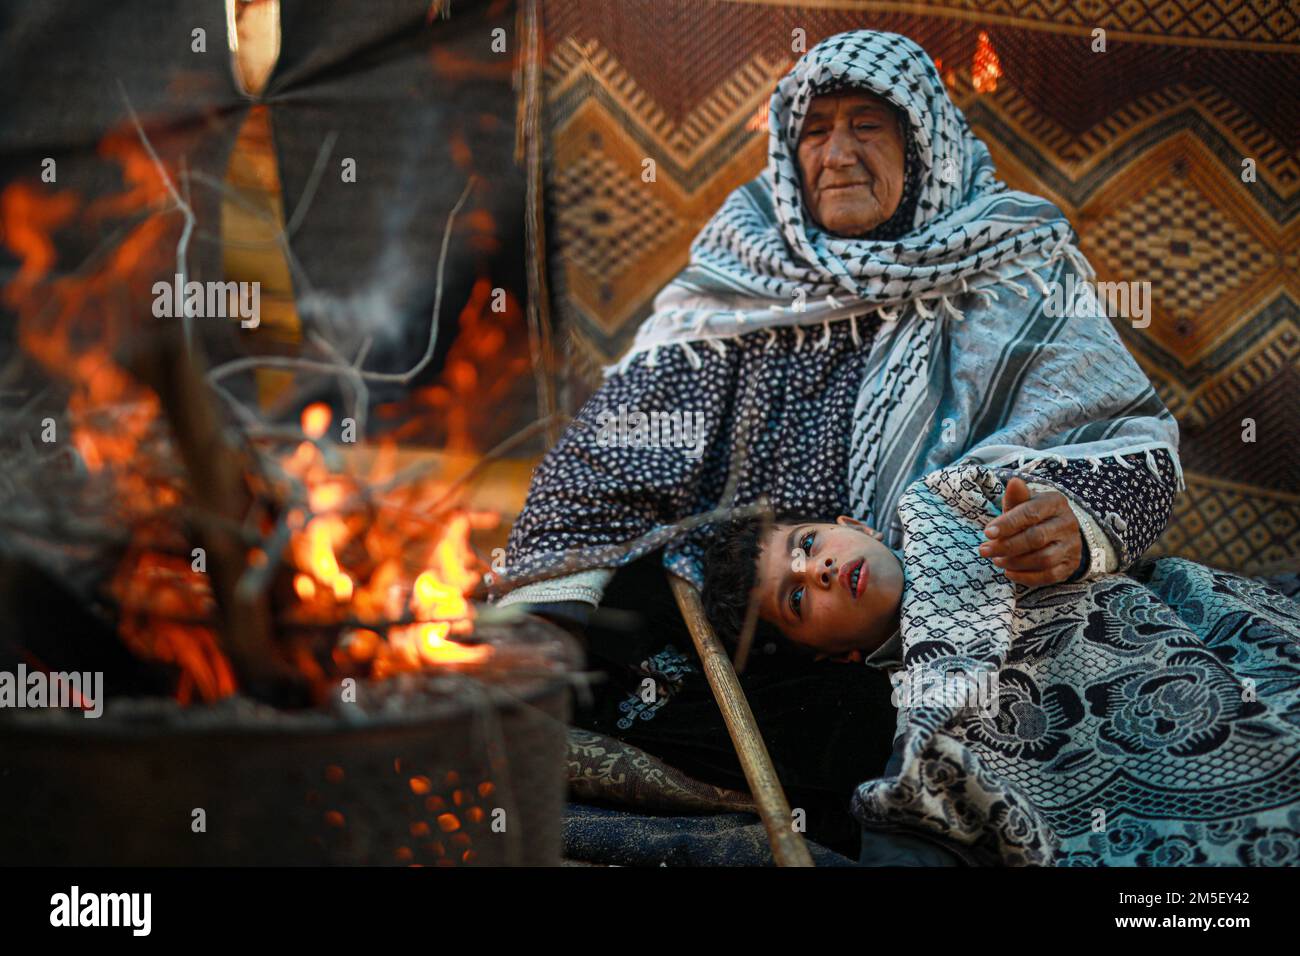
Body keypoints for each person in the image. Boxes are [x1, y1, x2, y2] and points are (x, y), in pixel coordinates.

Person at [492, 30, 1182, 852]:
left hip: (1001, 621)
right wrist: (548, 618)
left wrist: (1074, 524)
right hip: (799, 652)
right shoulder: (743, 264)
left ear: (920, 142)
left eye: (867, 125)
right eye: (815, 131)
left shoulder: (1019, 261)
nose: (838, 153)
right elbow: (617, 448)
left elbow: (1127, 439)